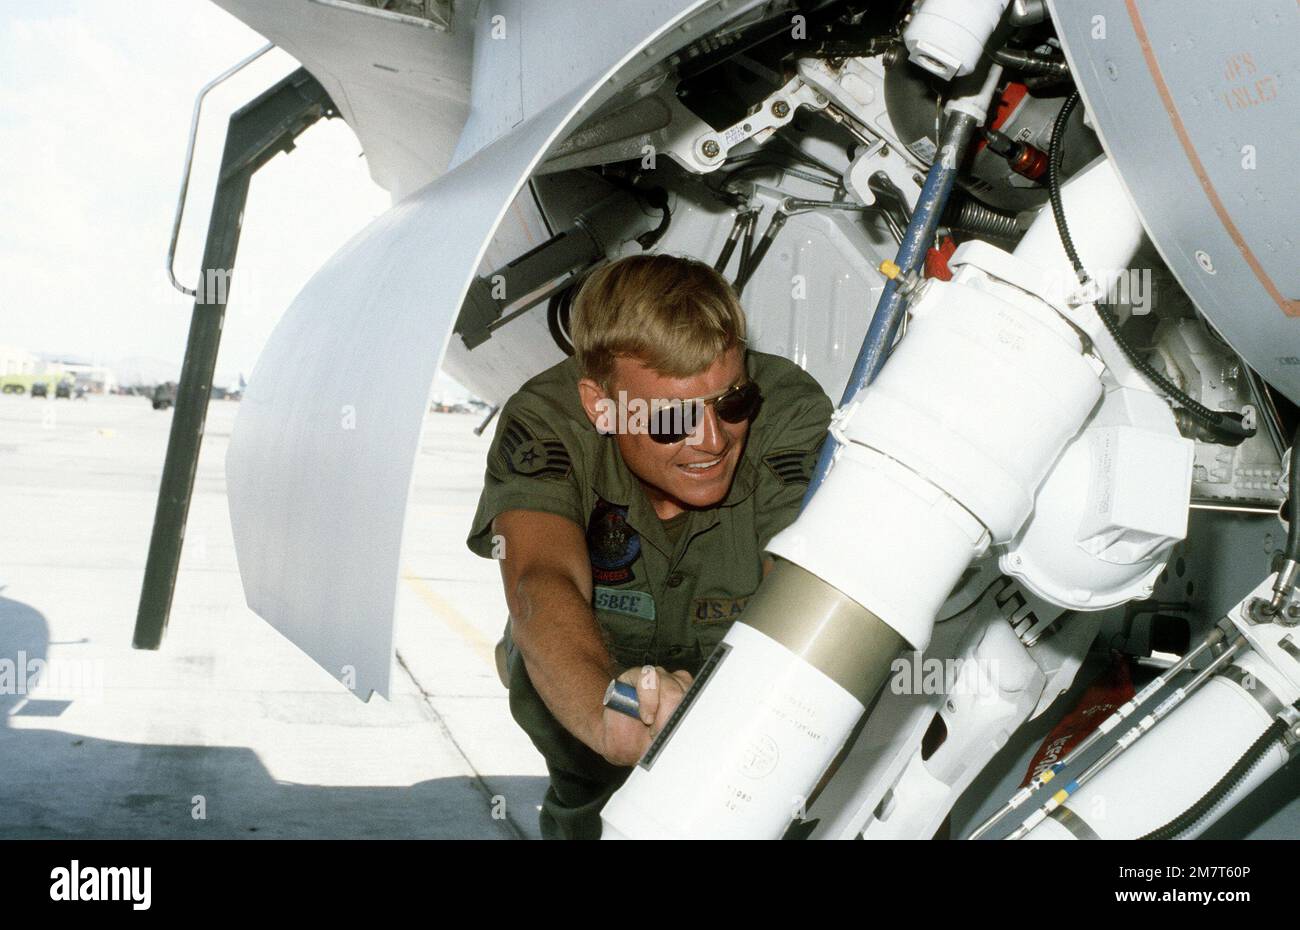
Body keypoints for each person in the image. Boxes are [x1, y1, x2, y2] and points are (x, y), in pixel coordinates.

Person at [466, 253, 832, 838]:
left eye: (732, 404)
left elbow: (803, 584)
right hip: (587, 710)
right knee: (589, 809)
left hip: (735, 694)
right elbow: (540, 580)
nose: (712, 441)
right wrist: (602, 717)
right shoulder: (548, 422)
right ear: (601, 406)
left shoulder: (788, 412)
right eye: (671, 420)